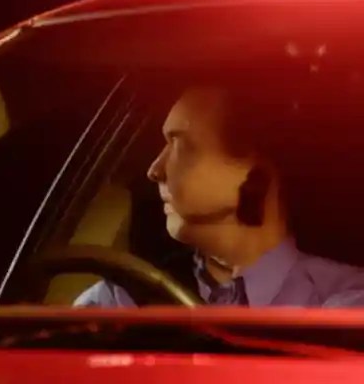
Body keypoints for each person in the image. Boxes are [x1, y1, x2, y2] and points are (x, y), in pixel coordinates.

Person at [75, 79, 364, 308]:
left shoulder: (344, 306)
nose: (154, 170)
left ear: (253, 168)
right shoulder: (123, 303)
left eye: (182, 146)